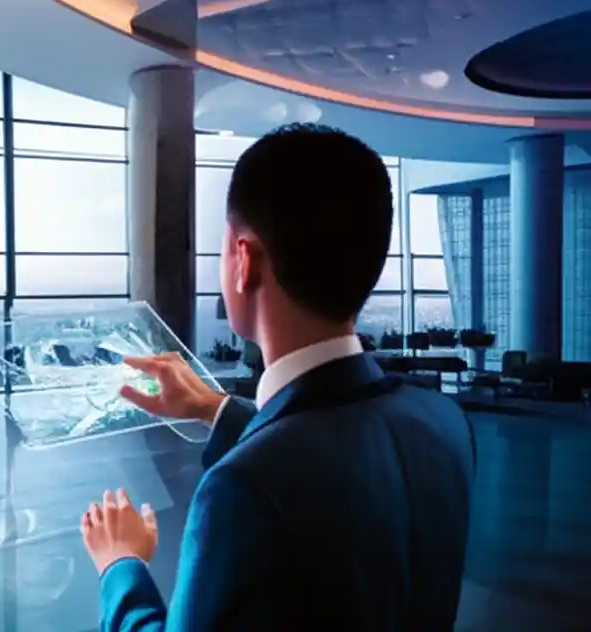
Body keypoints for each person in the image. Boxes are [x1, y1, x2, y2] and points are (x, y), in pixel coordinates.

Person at [81, 124, 474, 631]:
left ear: (244, 260)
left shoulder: (239, 491)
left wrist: (121, 565)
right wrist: (214, 408)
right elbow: (327, 449)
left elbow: (290, 466)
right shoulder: (443, 420)